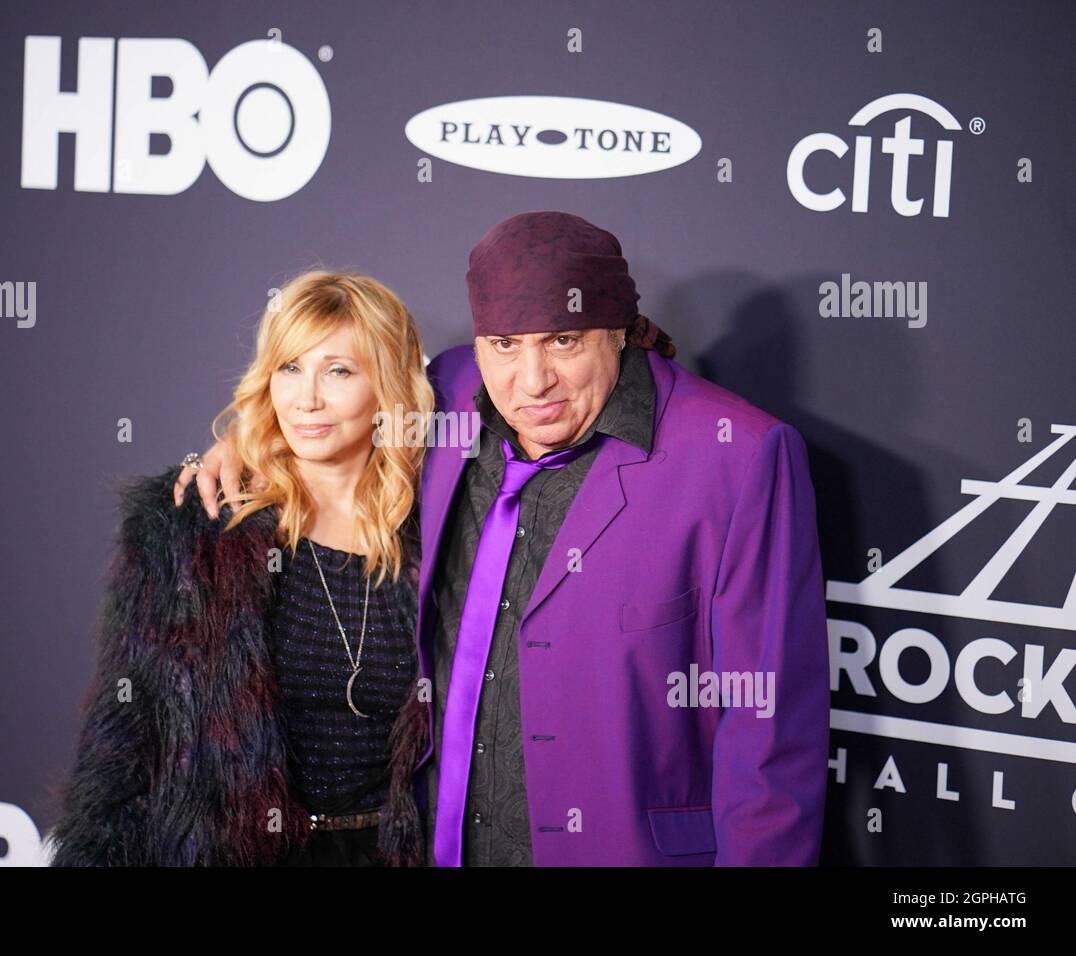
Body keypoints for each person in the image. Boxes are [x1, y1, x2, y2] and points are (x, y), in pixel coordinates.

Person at [180, 210, 830, 867]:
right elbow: (336, 408)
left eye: (564, 341)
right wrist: (242, 444)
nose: (532, 380)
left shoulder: (737, 457)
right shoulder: (452, 391)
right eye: (506, 344)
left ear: (619, 331)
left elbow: (771, 732)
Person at [48, 270, 434, 866]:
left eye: (339, 371)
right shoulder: (196, 529)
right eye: (290, 368)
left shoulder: (439, 529)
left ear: (389, 387)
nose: (306, 399)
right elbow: (124, 740)